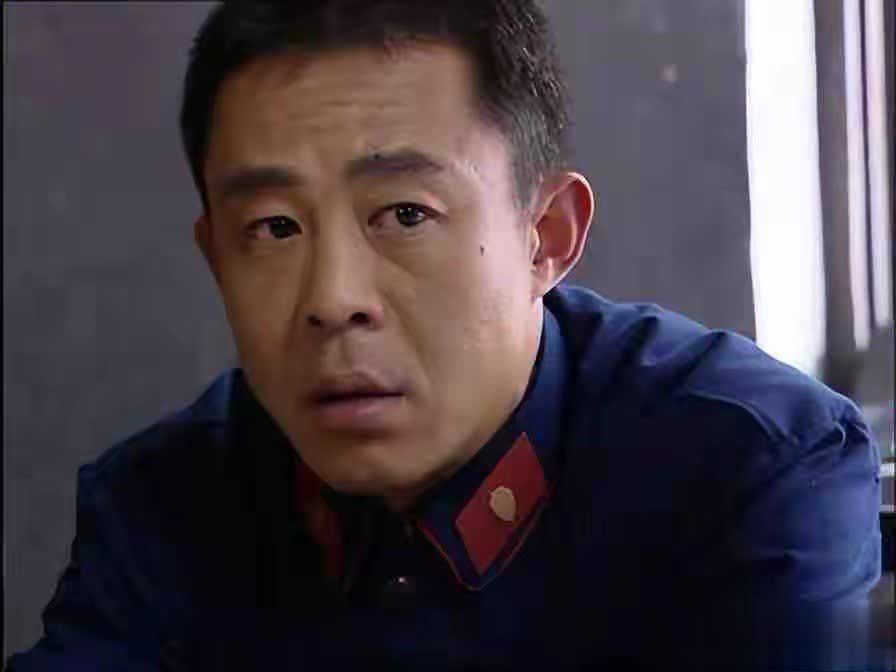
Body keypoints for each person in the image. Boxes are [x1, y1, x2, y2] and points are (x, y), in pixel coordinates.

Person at [6, 1, 883, 670]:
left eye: (404, 214)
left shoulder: (748, 465)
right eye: (273, 228)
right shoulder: (162, 506)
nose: (333, 300)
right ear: (214, 256)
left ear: (546, 236)